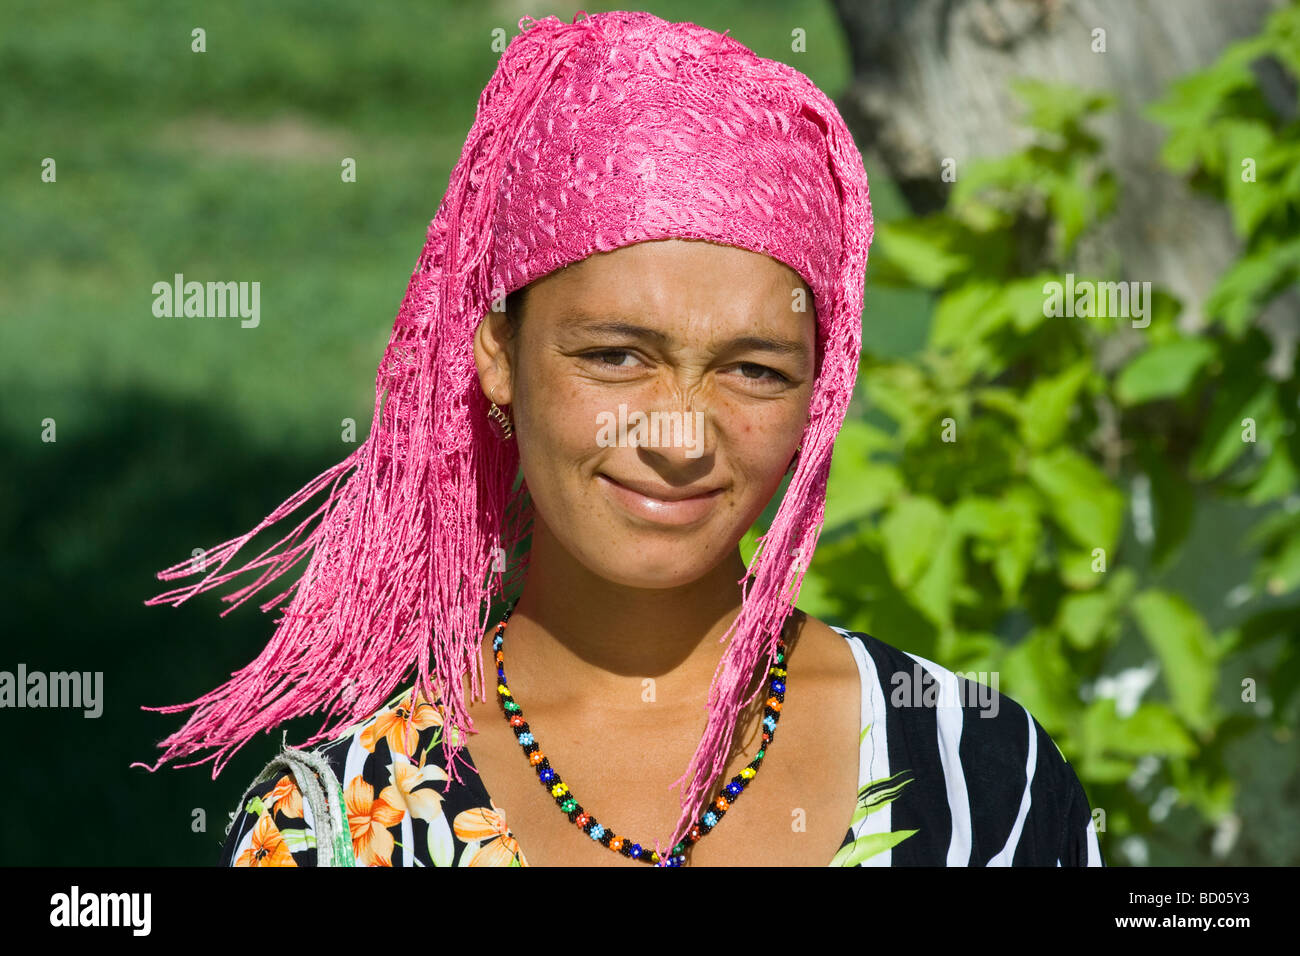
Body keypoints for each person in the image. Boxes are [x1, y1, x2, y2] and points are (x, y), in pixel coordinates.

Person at [138, 10, 1104, 868]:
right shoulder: (343, 830)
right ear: (499, 356)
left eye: (754, 371)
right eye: (615, 356)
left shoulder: (980, 781)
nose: (681, 434)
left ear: (821, 394)